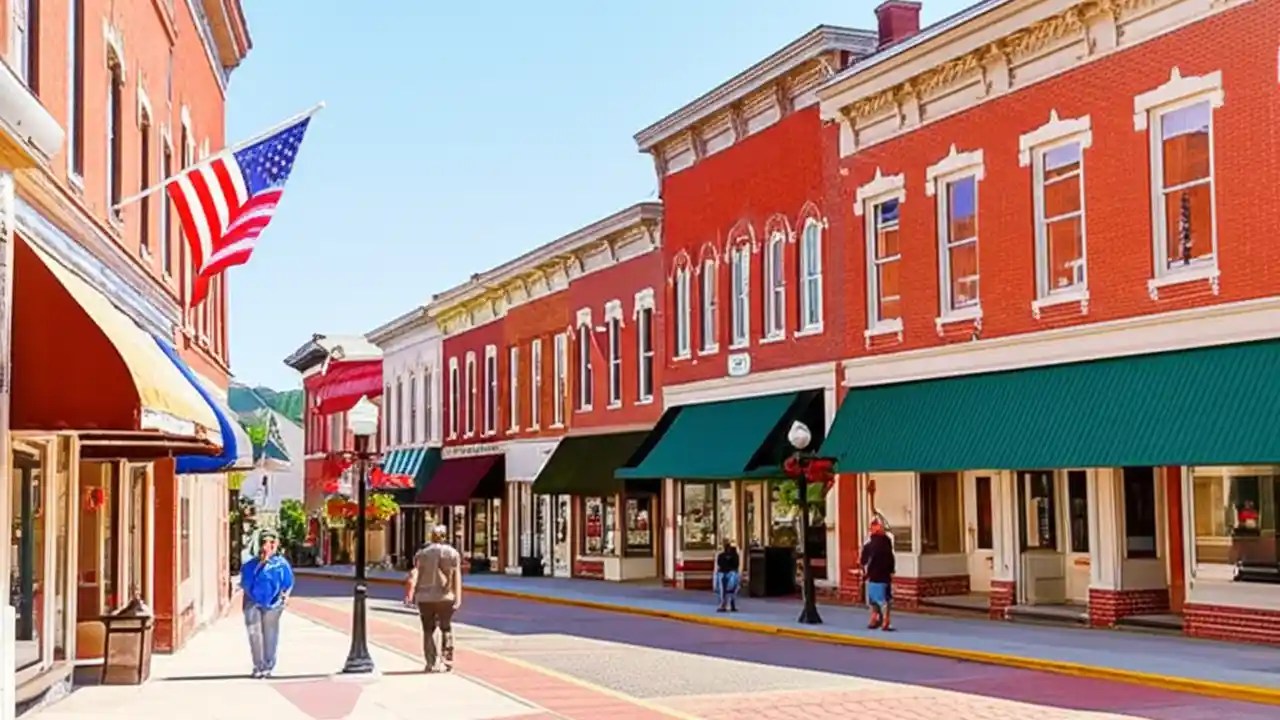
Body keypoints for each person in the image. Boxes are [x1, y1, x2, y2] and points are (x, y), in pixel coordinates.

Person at [405, 524, 462, 672]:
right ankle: (447, 660)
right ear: (444, 536)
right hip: (446, 597)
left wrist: (411, 595)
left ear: (431, 536)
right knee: (446, 628)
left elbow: (414, 575)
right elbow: (456, 578)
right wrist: (458, 597)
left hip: (425, 597)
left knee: (428, 630)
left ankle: (430, 662)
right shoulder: (453, 553)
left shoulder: (421, 554)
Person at [240, 529, 295, 678]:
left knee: (270, 634)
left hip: (274, 604)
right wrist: (261, 565)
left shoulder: (281, 564)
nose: (268, 546)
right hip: (253, 603)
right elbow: (246, 583)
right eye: (264, 542)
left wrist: (285, 597)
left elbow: (288, 583)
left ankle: (268, 665)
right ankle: (258, 665)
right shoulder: (250, 565)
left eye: (272, 542)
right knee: (255, 635)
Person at [861, 516, 895, 631]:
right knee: (884, 598)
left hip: (874, 574)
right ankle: (884, 619)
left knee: (875, 599)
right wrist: (891, 570)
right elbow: (891, 558)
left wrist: (864, 571)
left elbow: (863, 560)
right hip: (884, 574)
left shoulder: (870, 544)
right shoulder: (887, 542)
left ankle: (876, 618)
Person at [714, 538, 740, 613]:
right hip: (731, 573)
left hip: (723, 573)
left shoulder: (721, 555)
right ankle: (731, 604)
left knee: (723, 590)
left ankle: (723, 605)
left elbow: (719, 564)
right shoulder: (735, 555)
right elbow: (736, 565)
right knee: (732, 590)